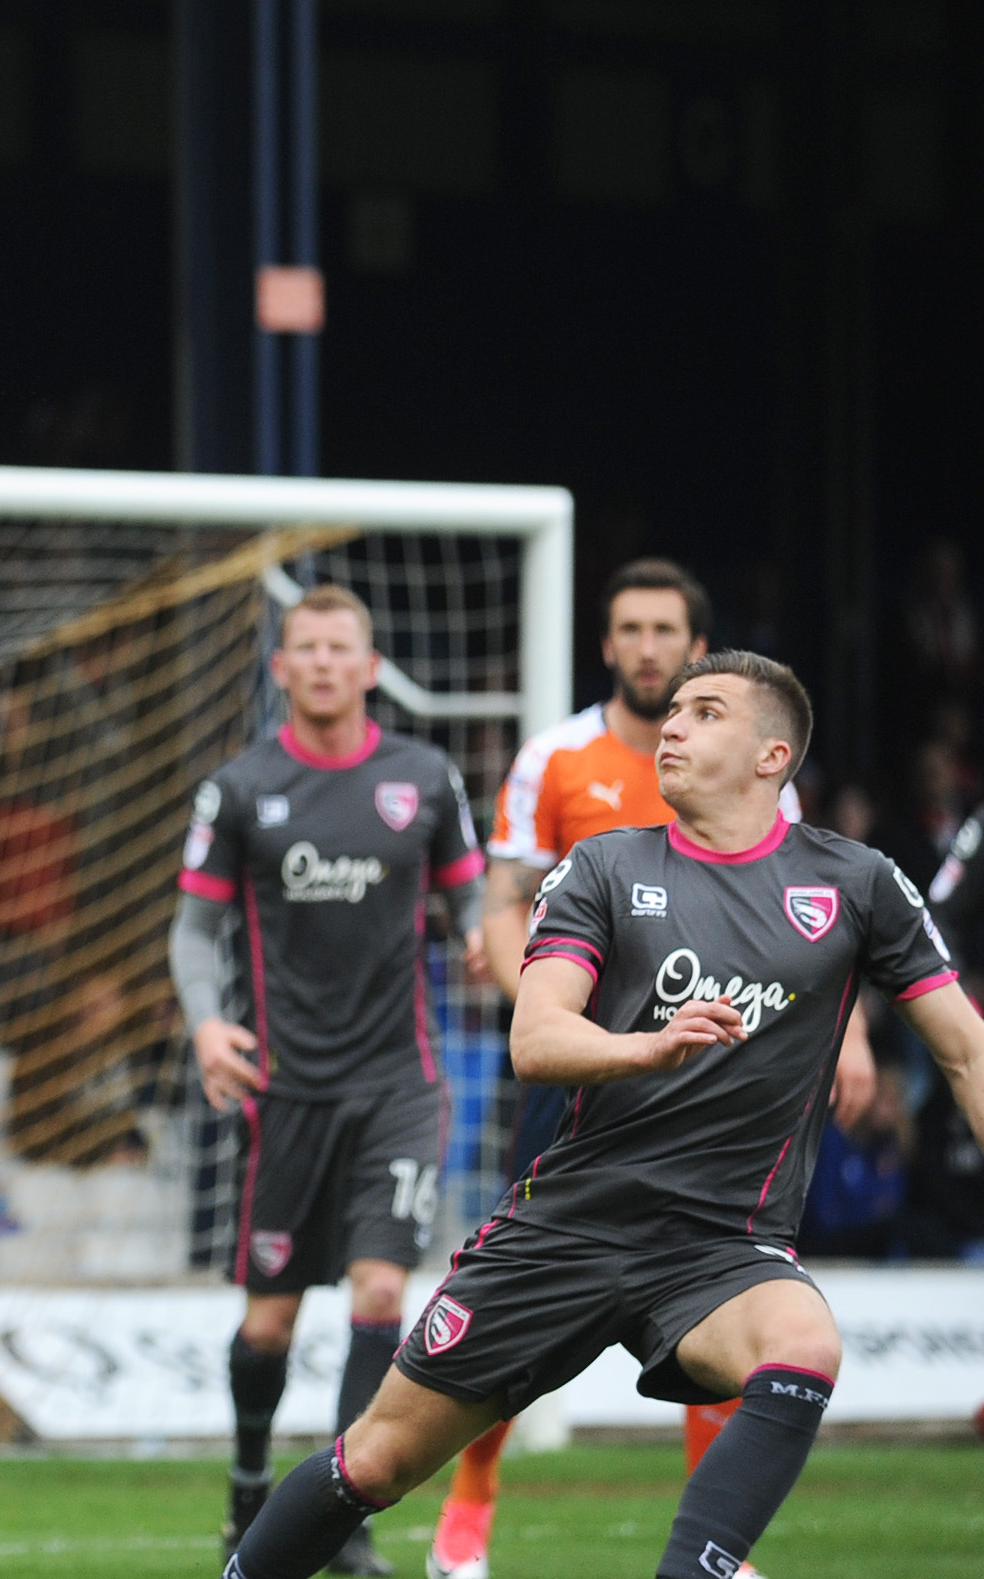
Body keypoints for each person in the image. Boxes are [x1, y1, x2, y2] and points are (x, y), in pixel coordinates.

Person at [224, 651, 984, 1579]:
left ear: (771, 755)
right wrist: (647, 1047)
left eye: (706, 713)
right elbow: (536, 1038)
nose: (671, 726)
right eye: (672, 712)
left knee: (803, 1341)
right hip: (567, 1226)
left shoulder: (859, 884)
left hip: (720, 1245)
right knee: (375, 1460)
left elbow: (965, 1049)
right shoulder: (607, 866)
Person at [433, 561, 863, 1579]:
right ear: (605, 643)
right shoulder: (556, 757)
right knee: (520, 1290)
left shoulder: (751, 768)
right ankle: (470, 1502)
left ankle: (713, 1540)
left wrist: (840, 1036)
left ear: (692, 643)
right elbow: (503, 902)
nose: (644, 645)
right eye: (627, 627)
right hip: (582, 1074)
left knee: (722, 1279)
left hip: (718, 1077)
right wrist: (544, 1004)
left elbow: (810, 919)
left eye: (663, 628)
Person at [173, 585, 485, 1576]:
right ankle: (250, 1484)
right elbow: (193, 927)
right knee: (268, 1318)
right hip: (284, 1090)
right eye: (301, 646)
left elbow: (471, 904)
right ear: (281, 667)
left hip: (399, 1081)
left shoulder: (425, 779)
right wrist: (205, 1020)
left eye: (336, 647)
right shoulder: (239, 786)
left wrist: (486, 943)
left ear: (367, 665)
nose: (318, 662)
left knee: (382, 1284)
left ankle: (344, 1511)